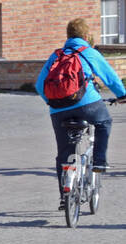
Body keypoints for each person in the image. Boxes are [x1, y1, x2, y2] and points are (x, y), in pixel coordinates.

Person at [36, 18, 126, 206]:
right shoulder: (88, 52)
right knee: (104, 122)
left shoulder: (56, 55)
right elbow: (110, 78)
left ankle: (64, 197)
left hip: (58, 109)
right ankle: (99, 161)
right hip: (87, 104)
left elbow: (39, 85)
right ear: (86, 36)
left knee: (64, 153)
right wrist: (122, 95)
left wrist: (52, 102)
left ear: (68, 36)